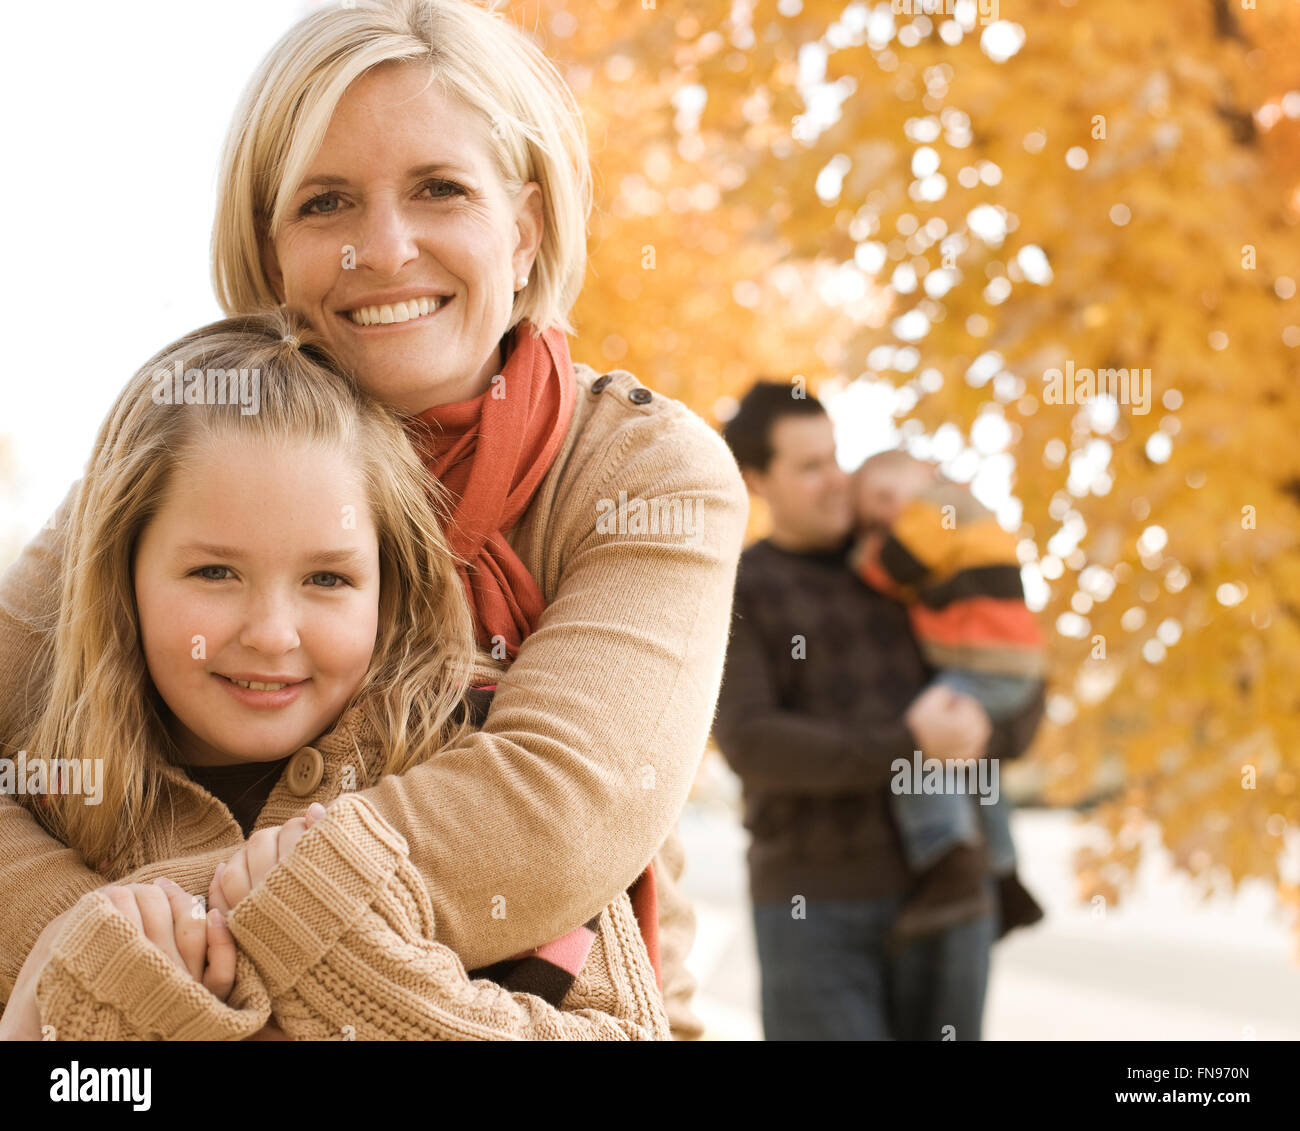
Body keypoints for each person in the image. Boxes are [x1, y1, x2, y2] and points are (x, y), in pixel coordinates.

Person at [0, 0, 747, 1041]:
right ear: (269, 249)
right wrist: (76, 941)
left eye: (440, 189)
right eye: (326, 203)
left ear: (523, 231)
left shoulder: (644, 471)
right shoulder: (180, 451)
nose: (383, 248)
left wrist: (136, 948)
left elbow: (556, 811)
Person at [0, 312, 668, 1040]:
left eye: (327, 577)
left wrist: (349, 955)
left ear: (392, 587)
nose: (272, 633)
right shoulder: (54, 795)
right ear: (123, 576)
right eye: (215, 571)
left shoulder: (465, 762)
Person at [713, 382, 1043, 1041]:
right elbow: (753, 743)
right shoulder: (736, 586)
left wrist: (983, 730)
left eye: (836, 456)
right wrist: (909, 742)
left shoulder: (902, 561)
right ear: (756, 480)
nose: (838, 480)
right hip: (814, 910)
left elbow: (1020, 696)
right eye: (810, 467)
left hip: (950, 899)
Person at [848, 449, 1046, 941]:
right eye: (874, 513)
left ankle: (947, 859)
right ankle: (1004, 877)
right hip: (1008, 664)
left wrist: (864, 550)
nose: (885, 516)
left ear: (922, 472)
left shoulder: (939, 506)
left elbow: (896, 565)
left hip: (985, 663)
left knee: (924, 738)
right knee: (975, 767)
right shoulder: (954, 514)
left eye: (885, 499)